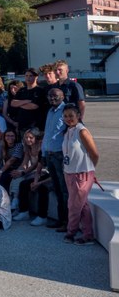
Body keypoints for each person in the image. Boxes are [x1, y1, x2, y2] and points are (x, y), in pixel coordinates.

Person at [62, 103, 99, 245]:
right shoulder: (68, 131)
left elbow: (94, 154)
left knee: (73, 206)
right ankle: (88, 234)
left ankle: (71, 232)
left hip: (82, 173)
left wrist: (90, 170)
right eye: (65, 116)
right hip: (69, 173)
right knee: (82, 205)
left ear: (78, 115)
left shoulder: (82, 131)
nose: (68, 118)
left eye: (71, 115)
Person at [43, 88, 68, 231]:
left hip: (60, 155)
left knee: (64, 190)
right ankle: (60, 219)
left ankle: (67, 222)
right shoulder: (50, 111)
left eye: (55, 96)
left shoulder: (66, 110)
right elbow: (47, 133)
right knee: (57, 188)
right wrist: (43, 153)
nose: (52, 98)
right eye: (50, 96)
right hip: (49, 154)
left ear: (62, 96)